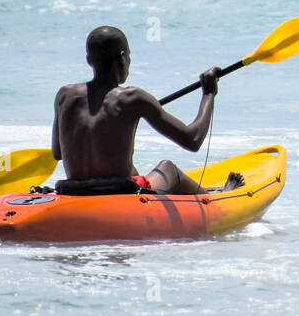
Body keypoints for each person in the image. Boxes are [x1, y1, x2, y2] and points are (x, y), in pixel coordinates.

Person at [51, 26, 242, 194]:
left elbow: (58, 153)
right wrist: (208, 94)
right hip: (120, 192)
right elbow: (192, 140)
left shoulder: (64, 96)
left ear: (88, 60)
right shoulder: (133, 98)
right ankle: (215, 199)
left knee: (133, 170)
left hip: (72, 190)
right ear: (123, 58)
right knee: (168, 168)